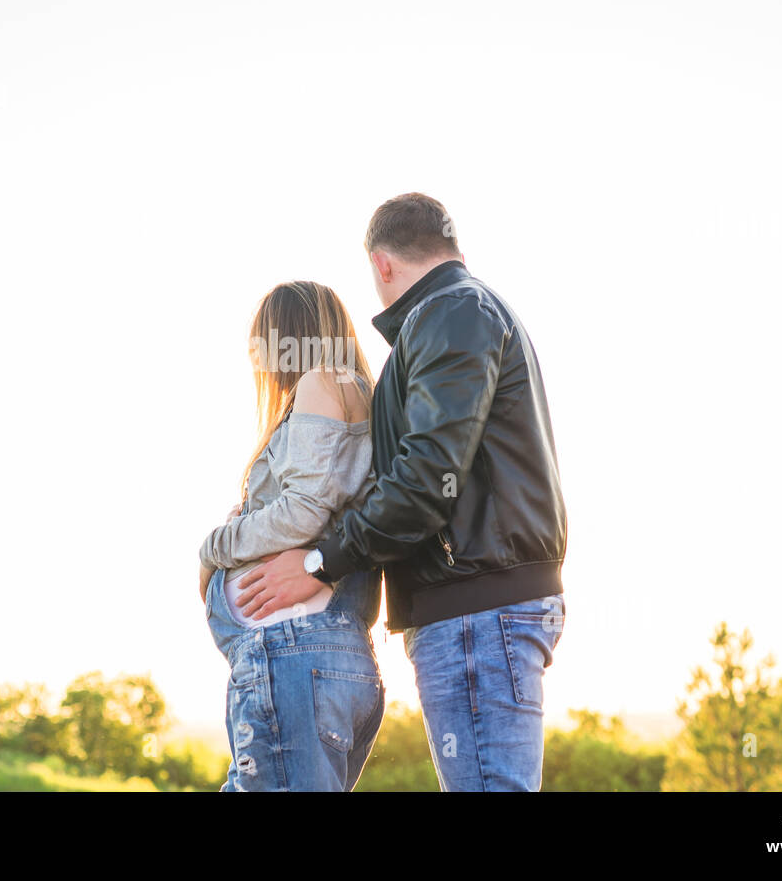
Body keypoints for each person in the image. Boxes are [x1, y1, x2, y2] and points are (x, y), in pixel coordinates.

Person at [233, 192, 568, 791]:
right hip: (475, 606)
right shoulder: (458, 313)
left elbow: (424, 479)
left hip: (474, 608)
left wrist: (318, 561)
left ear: (381, 264)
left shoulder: (451, 312)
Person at [199, 281, 385, 791]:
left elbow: (302, 512)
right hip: (314, 658)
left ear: (290, 336)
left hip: (292, 656)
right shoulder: (350, 392)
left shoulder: (322, 381)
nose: (258, 358)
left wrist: (215, 546)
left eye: (262, 342)